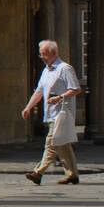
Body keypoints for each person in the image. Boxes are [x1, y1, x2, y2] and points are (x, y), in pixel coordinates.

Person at [22, 39, 83, 185]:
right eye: (41, 54)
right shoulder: (46, 70)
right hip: (50, 113)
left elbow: (76, 89)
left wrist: (59, 98)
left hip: (61, 114)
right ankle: (72, 175)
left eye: (44, 54)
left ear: (54, 53)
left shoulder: (64, 68)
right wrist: (28, 107)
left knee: (51, 144)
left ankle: (38, 172)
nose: (42, 57)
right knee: (62, 145)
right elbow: (39, 91)